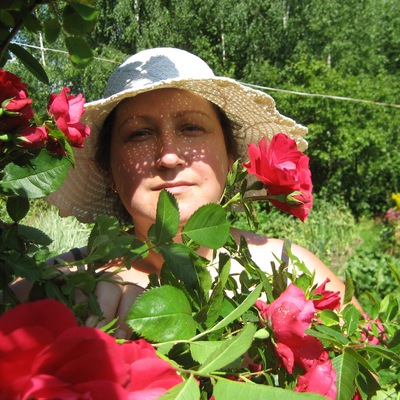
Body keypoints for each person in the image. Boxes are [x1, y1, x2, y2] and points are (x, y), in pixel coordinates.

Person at [43, 47, 359, 337]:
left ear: (230, 157)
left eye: (191, 128)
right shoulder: (58, 286)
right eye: (139, 134)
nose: (169, 156)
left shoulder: (291, 270)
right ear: (109, 170)